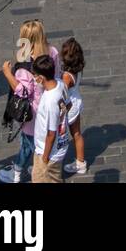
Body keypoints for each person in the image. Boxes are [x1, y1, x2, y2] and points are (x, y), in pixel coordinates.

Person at [0, 20, 60, 183]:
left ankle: (40, 174)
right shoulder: (52, 52)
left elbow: (23, 92)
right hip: (50, 107)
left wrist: (8, 73)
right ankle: (19, 169)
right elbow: (57, 76)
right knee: (30, 143)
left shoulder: (24, 64)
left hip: (32, 115)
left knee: (34, 147)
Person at [31, 53, 70, 184]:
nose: (34, 78)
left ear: (41, 78)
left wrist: (44, 159)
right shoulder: (60, 83)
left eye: (35, 76)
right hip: (61, 144)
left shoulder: (49, 101)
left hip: (48, 152)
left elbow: (51, 135)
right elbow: (68, 105)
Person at [61, 37, 88, 176]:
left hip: (68, 108)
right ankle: (80, 162)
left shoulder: (66, 77)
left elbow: (61, 93)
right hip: (77, 103)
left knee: (58, 136)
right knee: (77, 134)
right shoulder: (79, 69)